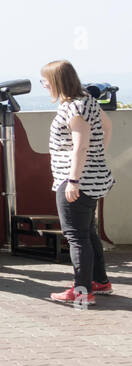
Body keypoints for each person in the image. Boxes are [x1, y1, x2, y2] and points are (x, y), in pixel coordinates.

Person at [41, 61, 115, 305]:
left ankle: (82, 291)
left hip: (74, 179)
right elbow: (107, 127)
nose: (44, 86)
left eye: (45, 82)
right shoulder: (89, 102)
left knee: (76, 236)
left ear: (55, 82)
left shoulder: (73, 108)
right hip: (91, 178)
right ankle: (99, 281)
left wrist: (73, 180)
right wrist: (97, 155)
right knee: (88, 232)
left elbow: (80, 144)